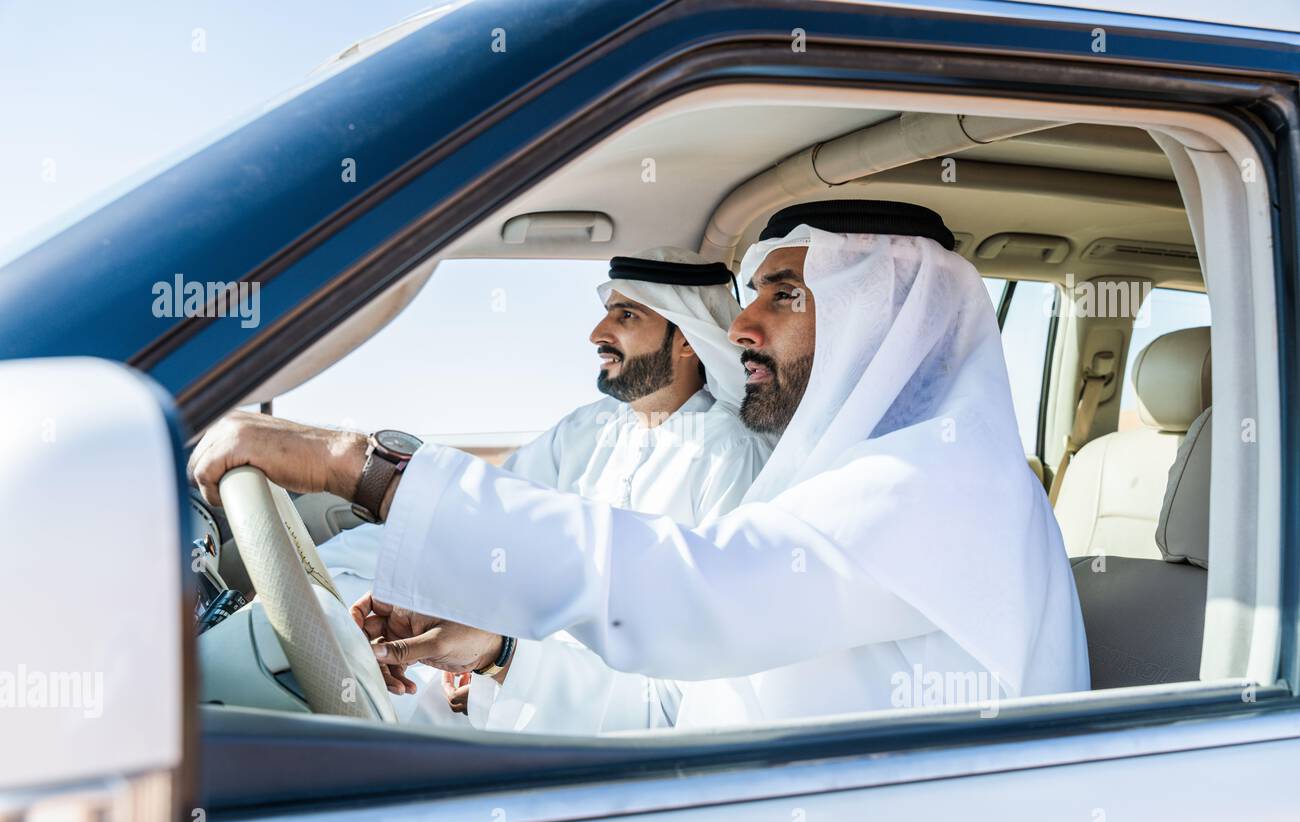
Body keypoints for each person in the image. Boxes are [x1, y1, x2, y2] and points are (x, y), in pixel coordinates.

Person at [191, 200, 1090, 731]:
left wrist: (361, 463)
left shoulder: (938, 489)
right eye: (753, 296)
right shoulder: (834, 486)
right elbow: (676, 709)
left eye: (787, 295)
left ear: (885, 324)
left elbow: (686, 590)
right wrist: (499, 650)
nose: (744, 325)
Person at [314, 247, 772, 726]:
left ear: (687, 340)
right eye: (606, 313)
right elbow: (473, 518)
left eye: (627, 314)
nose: (598, 334)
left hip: (596, 722)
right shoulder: (590, 429)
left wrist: (499, 661)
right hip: (510, 681)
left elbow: (684, 687)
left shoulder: (730, 455)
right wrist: (329, 568)